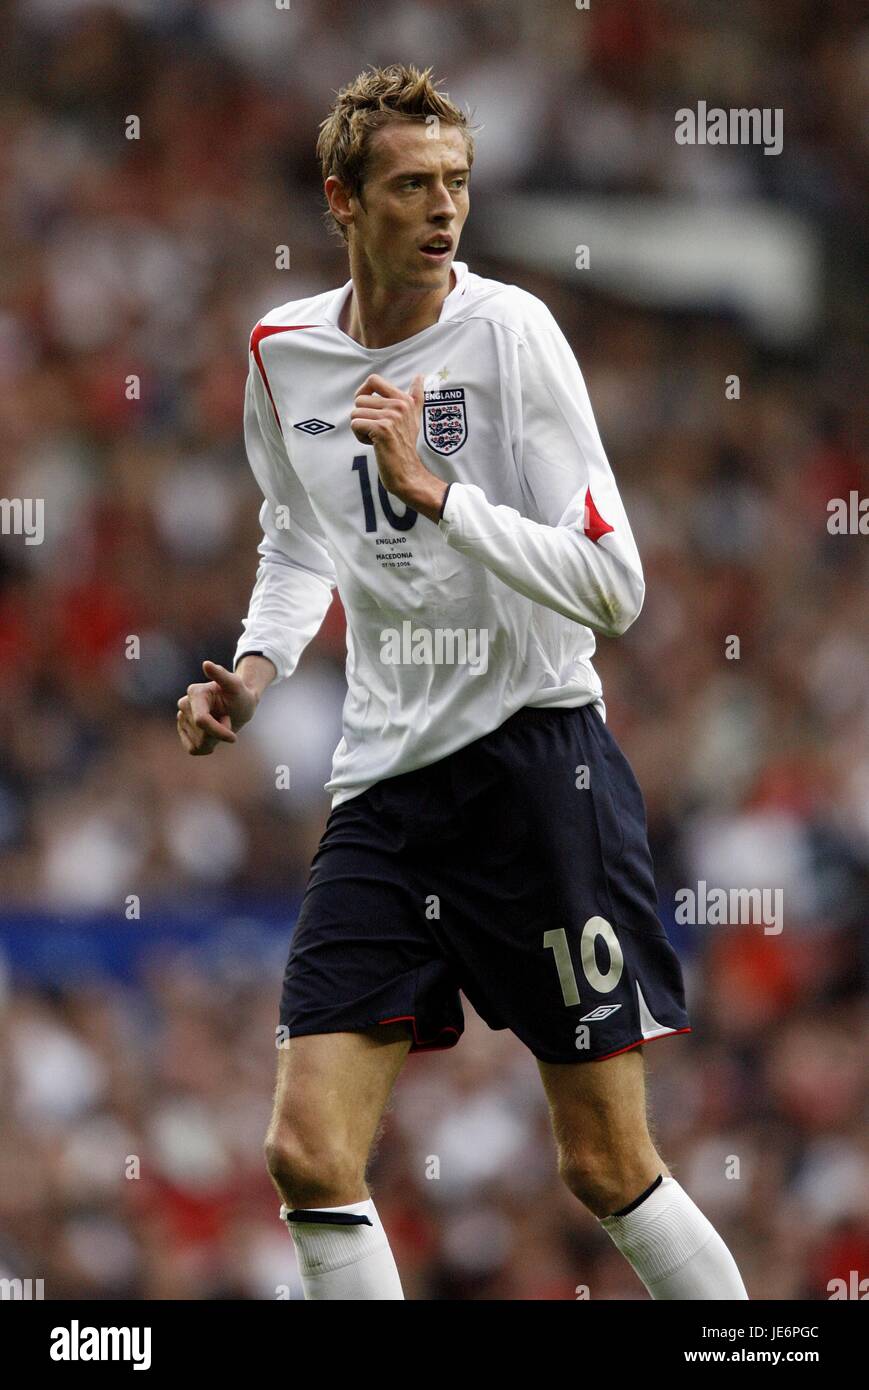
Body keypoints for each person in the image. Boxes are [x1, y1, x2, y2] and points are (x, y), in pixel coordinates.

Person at [176, 63, 748, 1302]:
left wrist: (444, 498)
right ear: (340, 198)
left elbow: (614, 586)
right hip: (384, 783)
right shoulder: (285, 353)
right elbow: (296, 536)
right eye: (410, 187)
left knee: (602, 1162)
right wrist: (259, 668)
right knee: (306, 1150)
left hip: (538, 763)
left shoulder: (508, 334)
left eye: (457, 185)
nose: (443, 211)